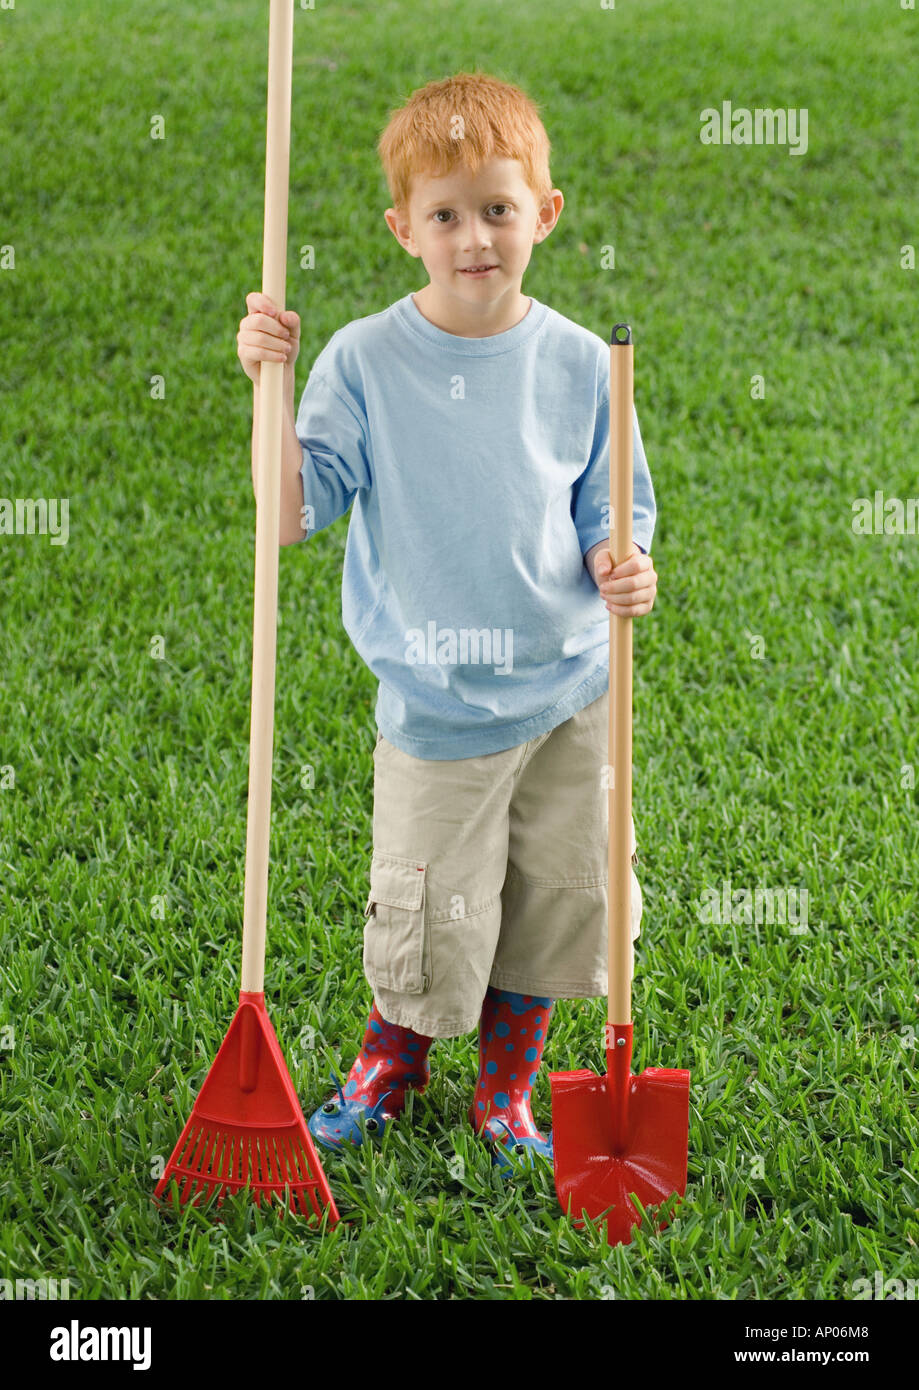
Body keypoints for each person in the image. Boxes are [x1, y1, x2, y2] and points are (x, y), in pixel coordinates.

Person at [236, 71, 658, 1175]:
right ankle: (391, 1062)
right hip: (437, 707)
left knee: (559, 896)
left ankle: (506, 1088)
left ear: (545, 213)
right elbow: (287, 516)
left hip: (568, 690)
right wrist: (266, 391)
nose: (474, 236)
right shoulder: (365, 362)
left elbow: (612, 502)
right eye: (445, 213)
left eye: (497, 208)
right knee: (428, 911)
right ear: (402, 230)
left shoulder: (578, 360)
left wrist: (621, 557)